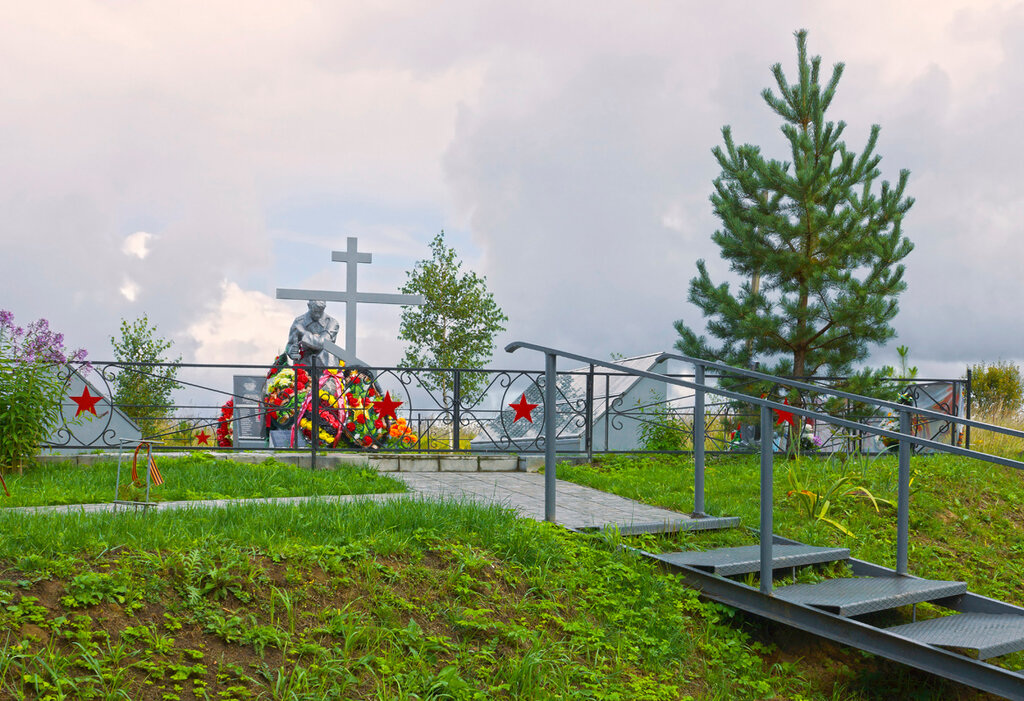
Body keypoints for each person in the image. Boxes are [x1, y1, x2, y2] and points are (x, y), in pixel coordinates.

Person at [286, 300, 341, 367]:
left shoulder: (332, 323)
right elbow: (290, 344)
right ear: (309, 306)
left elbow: (322, 343)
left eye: (320, 311)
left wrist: (303, 333)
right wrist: (292, 351)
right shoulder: (299, 321)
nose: (317, 315)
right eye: (315, 311)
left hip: (326, 363)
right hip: (304, 363)